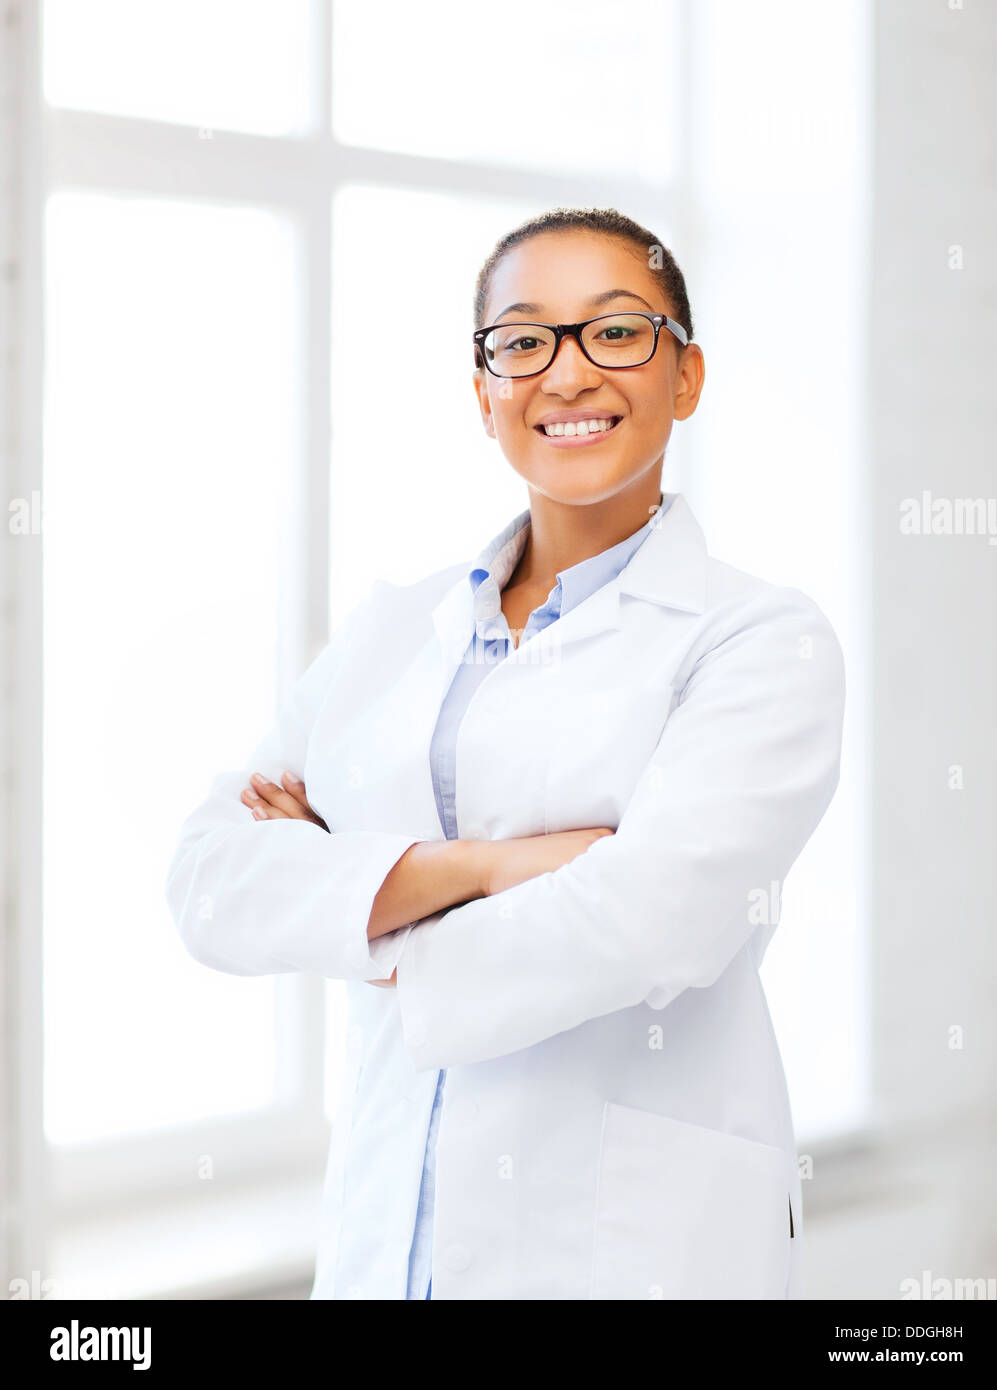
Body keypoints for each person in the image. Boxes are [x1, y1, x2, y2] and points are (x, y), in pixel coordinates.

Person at [165, 206, 846, 1301]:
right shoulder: (395, 624)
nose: (565, 374)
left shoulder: (758, 640)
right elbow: (207, 878)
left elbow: (650, 917)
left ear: (686, 375)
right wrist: (476, 873)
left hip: (624, 1250)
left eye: (615, 332)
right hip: (391, 1238)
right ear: (484, 394)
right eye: (522, 341)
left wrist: (351, 901)